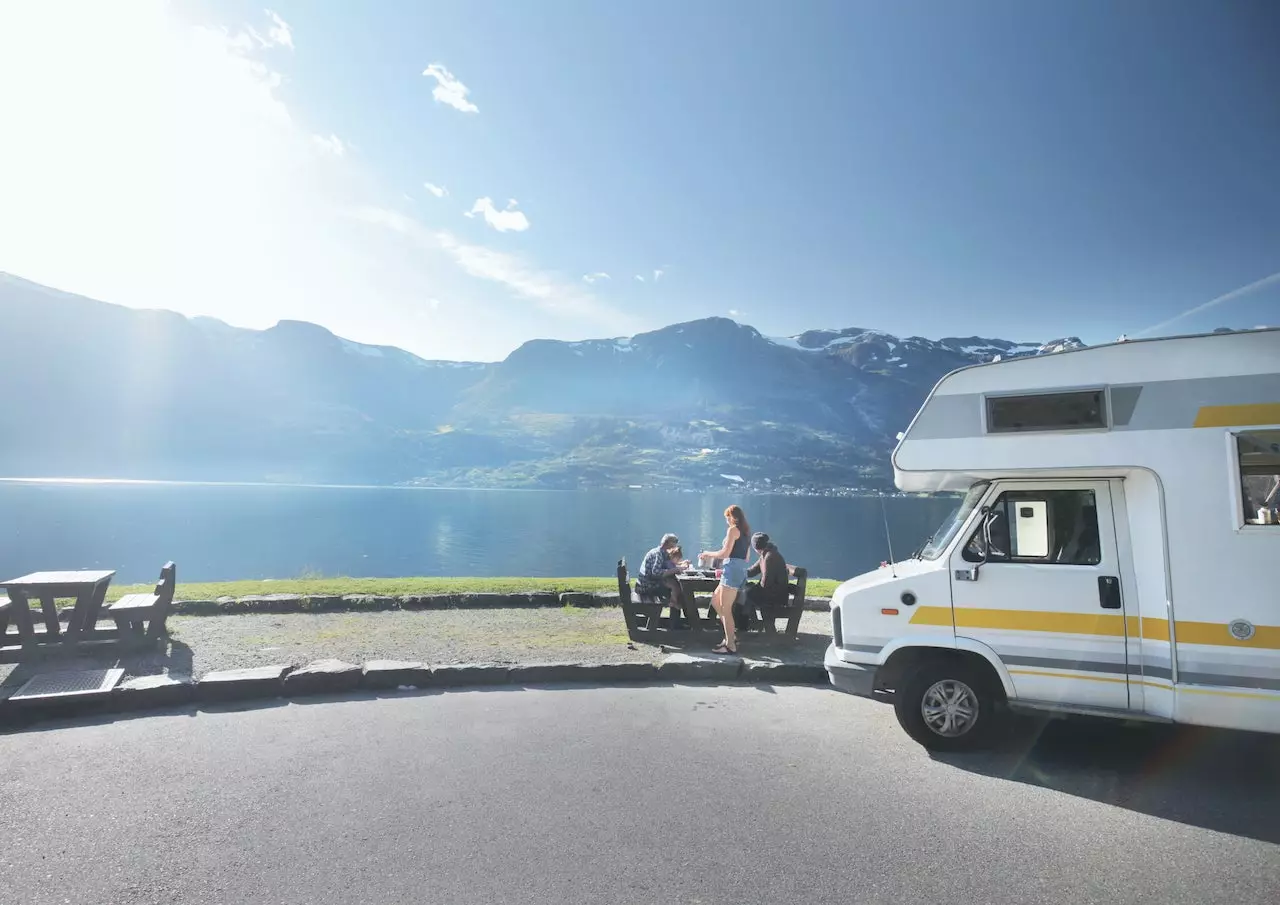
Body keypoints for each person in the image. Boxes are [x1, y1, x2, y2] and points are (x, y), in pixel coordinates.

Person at [699, 505, 751, 654]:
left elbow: (725, 552)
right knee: (716, 601)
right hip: (738, 569)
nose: (726, 520)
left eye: (728, 517)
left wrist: (708, 554)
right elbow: (746, 557)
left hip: (732, 570)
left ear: (734, 517)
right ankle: (731, 636)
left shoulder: (733, 530)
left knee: (725, 609)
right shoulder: (746, 532)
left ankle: (730, 646)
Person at [637, 533, 689, 626]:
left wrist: (678, 565)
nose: (676, 545)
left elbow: (667, 566)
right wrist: (676, 570)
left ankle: (677, 622)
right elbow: (656, 573)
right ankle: (676, 624)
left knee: (677, 588)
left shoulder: (661, 552)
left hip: (648, 583)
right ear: (668, 543)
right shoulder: (658, 554)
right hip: (647, 586)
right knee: (678, 592)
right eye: (675, 543)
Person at [740, 532, 789, 630]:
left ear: (755, 547)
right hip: (773, 592)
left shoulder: (769, 557)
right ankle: (754, 624)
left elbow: (766, 582)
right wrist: (738, 573)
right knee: (746, 592)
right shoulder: (765, 554)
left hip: (776, 595)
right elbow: (752, 571)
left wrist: (755, 588)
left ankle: (751, 624)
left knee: (745, 594)